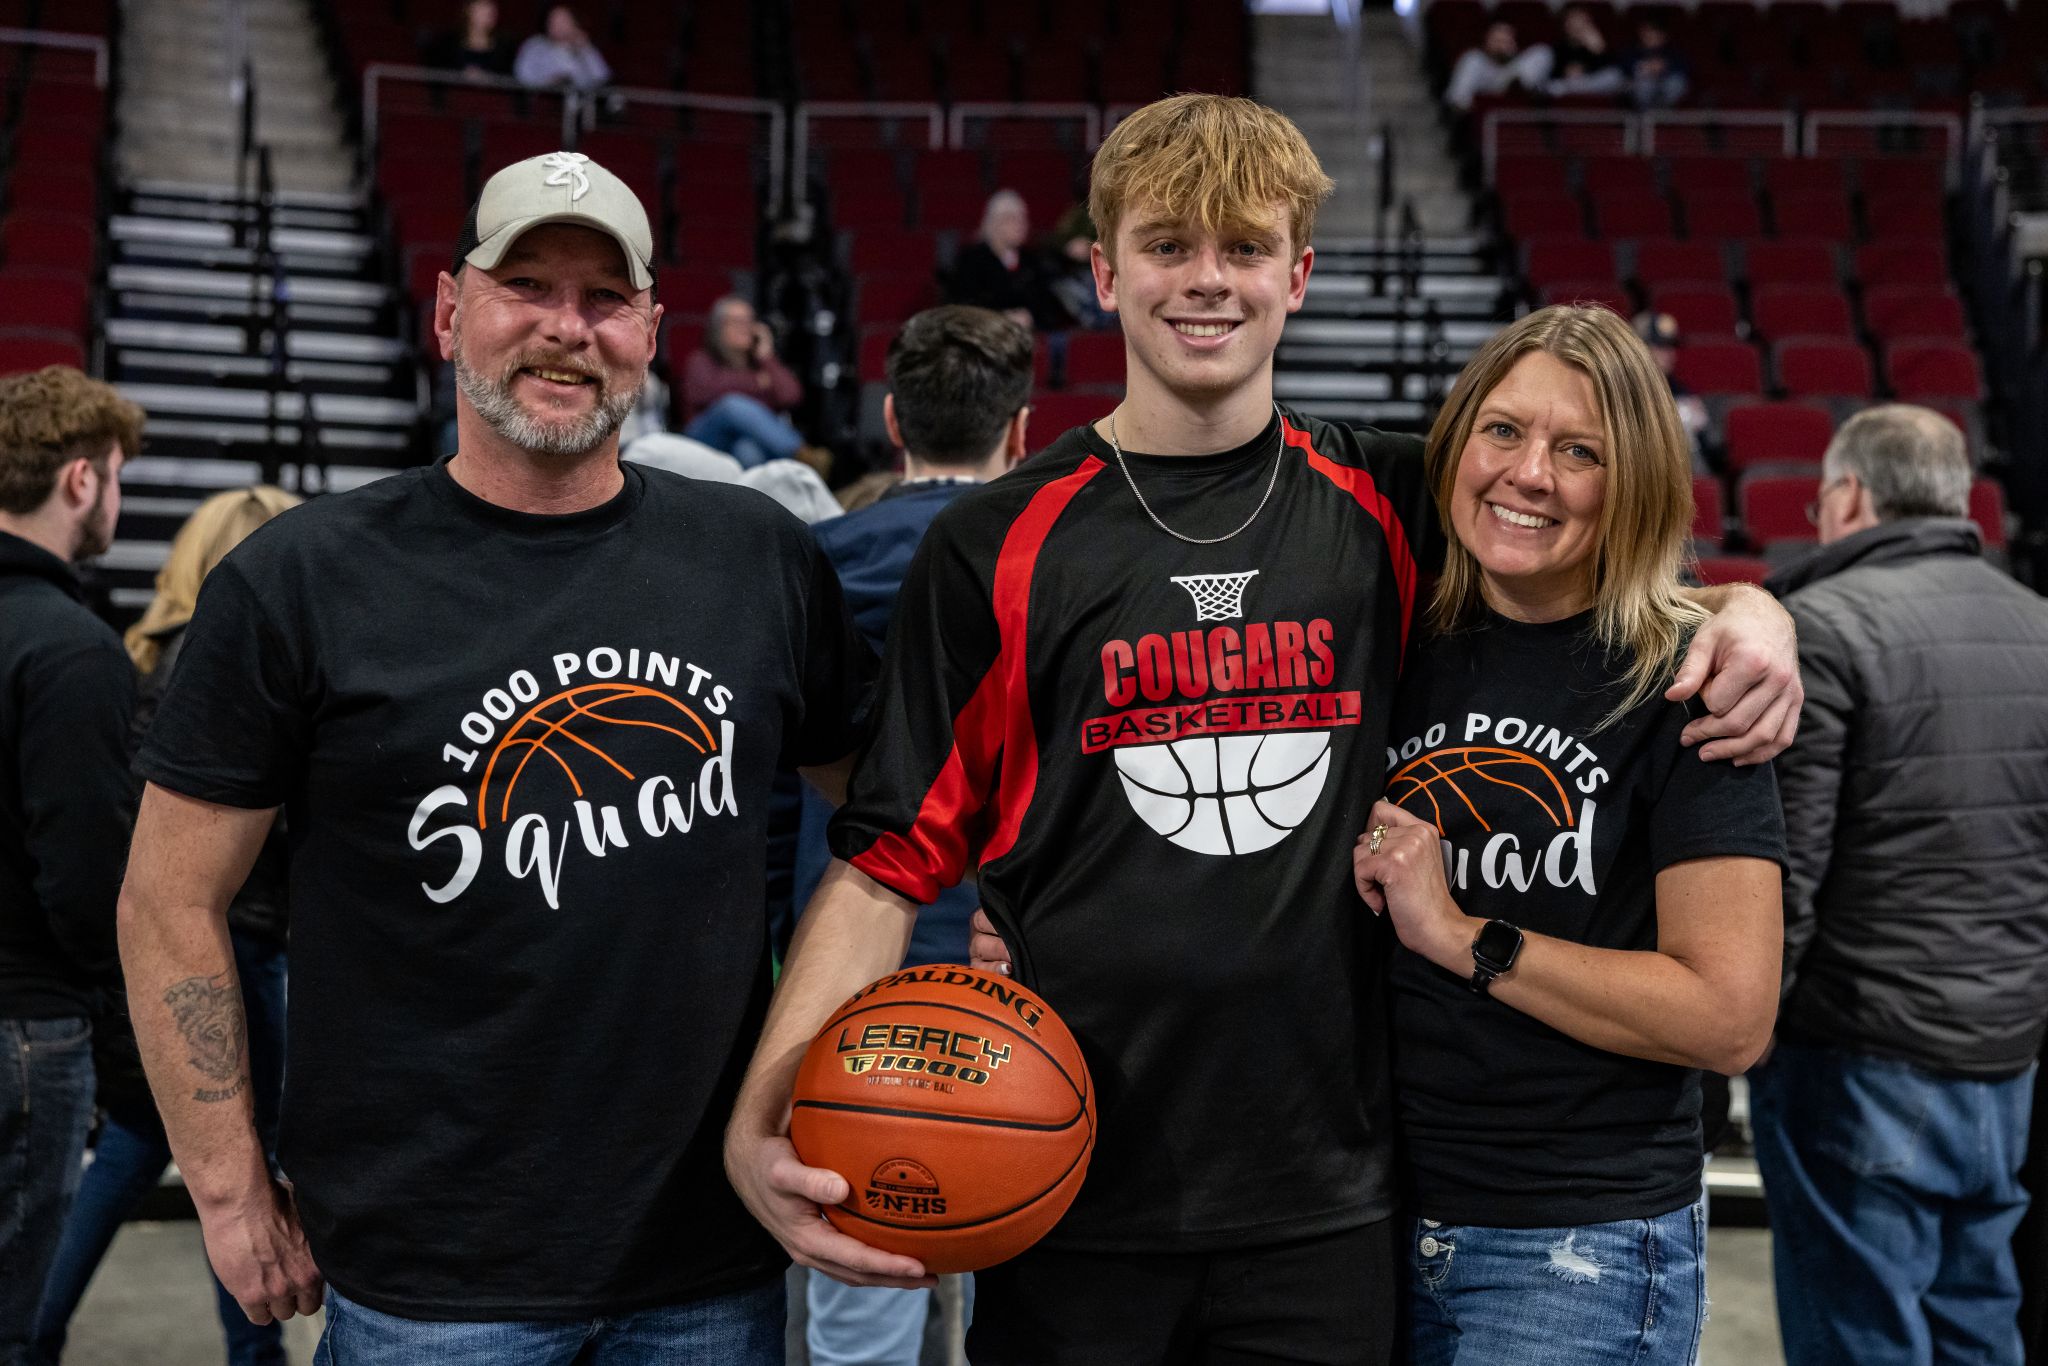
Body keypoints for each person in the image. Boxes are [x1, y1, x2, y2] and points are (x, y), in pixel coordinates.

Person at [725, 93, 1800, 1366]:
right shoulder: (992, 543)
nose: (1205, 281)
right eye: (1168, 244)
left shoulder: (1396, 500)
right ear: (1102, 270)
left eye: (1242, 248)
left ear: (1295, 274)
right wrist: (761, 1111)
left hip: (1330, 1205)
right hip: (1065, 1180)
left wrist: (1749, 612)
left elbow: (1586, 562)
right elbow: (884, 859)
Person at [118, 151, 871, 1362]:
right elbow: (167, 899)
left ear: (650, 330)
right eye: (525, 284)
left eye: (603, 298)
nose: (565, 329)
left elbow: (888, 823)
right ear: (447, 308)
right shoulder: (302, 579)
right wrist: (224, 1183)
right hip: (430, 1280)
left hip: (708, 1266)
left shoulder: (758, 558)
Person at [1351, 304, 1786, 1366]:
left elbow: (1728, 1017)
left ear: (1627, 481)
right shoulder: (1394, 629)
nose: (1528, 473)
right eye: (1501, 431)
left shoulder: (1683, 681)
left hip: (1574, 1243)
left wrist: (1463, 935)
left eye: (1576, 450)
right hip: (1362, 1219)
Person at [1751, 404, 2048, 1366]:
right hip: (2006, 1059)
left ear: (1846, 496)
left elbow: (1785, 877)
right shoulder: (2040, 626)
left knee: (1858, 1335)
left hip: (1860, 1058)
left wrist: (1733, 1040)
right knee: (1979, 1323)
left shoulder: (1822, 629)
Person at [788, 304, 1030, 1366]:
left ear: (891, 421)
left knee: (858, 1298)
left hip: (841, 964)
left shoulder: (809, 561)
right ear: (1018, 433)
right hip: (1012, 964)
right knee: (1013, 1291)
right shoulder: (1059, 555)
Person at [30, 487, 300, 1366]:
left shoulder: (147, 657)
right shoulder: (223, 659)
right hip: (235, 943)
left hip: (202, 935)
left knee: (151, 1142)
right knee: (228, 1154)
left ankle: (38, 1331)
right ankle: (250, 1354)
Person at [0, 367, 139, 1366]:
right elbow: (90, 885)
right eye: (122, 477)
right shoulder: (74, 650)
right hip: (25, 1029)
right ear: (82, 482)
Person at [681, 296, 825, 471]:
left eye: (749, 321)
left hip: (748, 441)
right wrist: (757, 383)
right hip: (706, 438)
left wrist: (767, 356)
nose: (745, 327)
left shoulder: (762, 365)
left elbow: (792, 396)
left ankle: (752, 496)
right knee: (732, 404)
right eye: (737, 321)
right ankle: (800, 452)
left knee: (747, 451)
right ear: (719, 328)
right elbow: (703, 392)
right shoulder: (701, 360)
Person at [945, 190, 1070, 333]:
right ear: (994, 223)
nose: (1021, 225)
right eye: (1012, 219)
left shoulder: (1031, 260)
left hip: (1030, 338)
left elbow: (1047, 304)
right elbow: (963, 306)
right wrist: (1002, 318)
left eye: (1023, 219)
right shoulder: (971, 260)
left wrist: (1030, 317)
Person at [1632, 311, 1708, 470]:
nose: (1670, 354)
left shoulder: (1681, 391)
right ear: (1640, 348)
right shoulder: (1625, 391)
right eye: (1660, 346)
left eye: (1671, 346)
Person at [1445, 21, 1554, 112]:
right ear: (1486, 42)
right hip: (1486, 116)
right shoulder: (1475, 61)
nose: (1501, 46)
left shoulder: (1523, 63)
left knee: (1543, 51)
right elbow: (1457, 98)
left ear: (1515, 44)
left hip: (1522, 107)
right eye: (1497, 41)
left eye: (1506, 41)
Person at [513, 4, 611, 91]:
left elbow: (602, 77)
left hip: (581, 103)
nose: (556, 25)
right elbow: (522, 76)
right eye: (552, 20)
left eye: (563, 21)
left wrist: (583, 52)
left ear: (574, 24)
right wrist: (548, 82)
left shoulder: (584, 48)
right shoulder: (535, 45)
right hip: (545, 100)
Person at [427, 0, 516, 80]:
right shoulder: (447, 43)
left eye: (493, 6)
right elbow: (436, 76)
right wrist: (461, 76)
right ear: (468, 10)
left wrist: (488, 79)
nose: (491, 11)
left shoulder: (507, 47)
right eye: (483, 5)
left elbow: (512, 81)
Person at [1547, 5, 1623, 97]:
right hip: (1565, 83)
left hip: (1590, 83)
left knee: (1614, 76)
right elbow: (1552, 72)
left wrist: (1599, 51)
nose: (1578, 26)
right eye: (1573, 21)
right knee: (1555, 85)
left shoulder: (1598, 45)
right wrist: (1566, 72)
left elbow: (1611, 70)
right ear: (1565, 25)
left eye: (1583, 21)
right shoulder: (1558, 47)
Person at [1623, 16, 1690, 111]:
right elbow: (1623, 67)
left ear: (1664, 36)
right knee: (1645, 84)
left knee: (1677, 83)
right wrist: (1643, 67)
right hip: (1639, 87)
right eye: (1647, 33)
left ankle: (1660, 111)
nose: (1651, 36)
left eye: (1655, 33)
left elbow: (1684, 68)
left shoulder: (1673, 51)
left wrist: (1664, 67)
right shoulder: (1632, 50)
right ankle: (1645, 113)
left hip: (1664, 86)